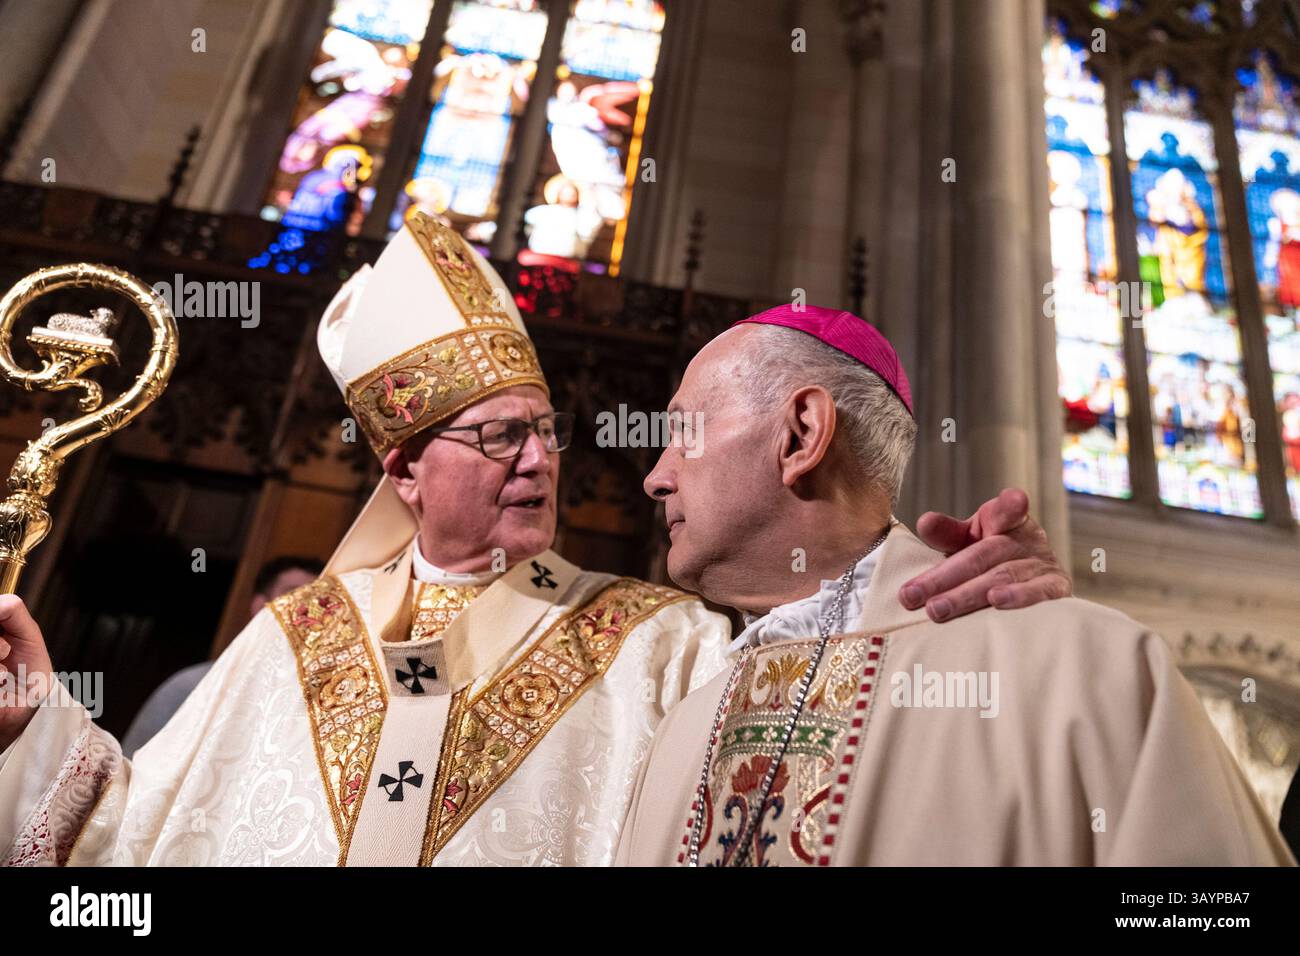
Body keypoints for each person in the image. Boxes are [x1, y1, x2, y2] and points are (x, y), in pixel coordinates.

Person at [0, 215, 1067, 867]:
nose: (539, 458)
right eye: (499, 435)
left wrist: (951, 595)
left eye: (546, 431)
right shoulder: (297, 635)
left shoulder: (662, 638)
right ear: (404, 471)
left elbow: (838, 720)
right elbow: (127, 837)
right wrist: (33, 726)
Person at [616, 305, 1295, 867]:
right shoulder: (684, 727)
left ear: (800, 434)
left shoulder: (1084, 672)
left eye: (684, 432)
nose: (656, 476)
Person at [119, 556, 323, 758]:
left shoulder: (321, 699)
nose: (307, 610)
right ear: (260, 606)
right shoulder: (194, 685)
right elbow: (130, 768)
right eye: (294, 595)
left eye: (319, 600)